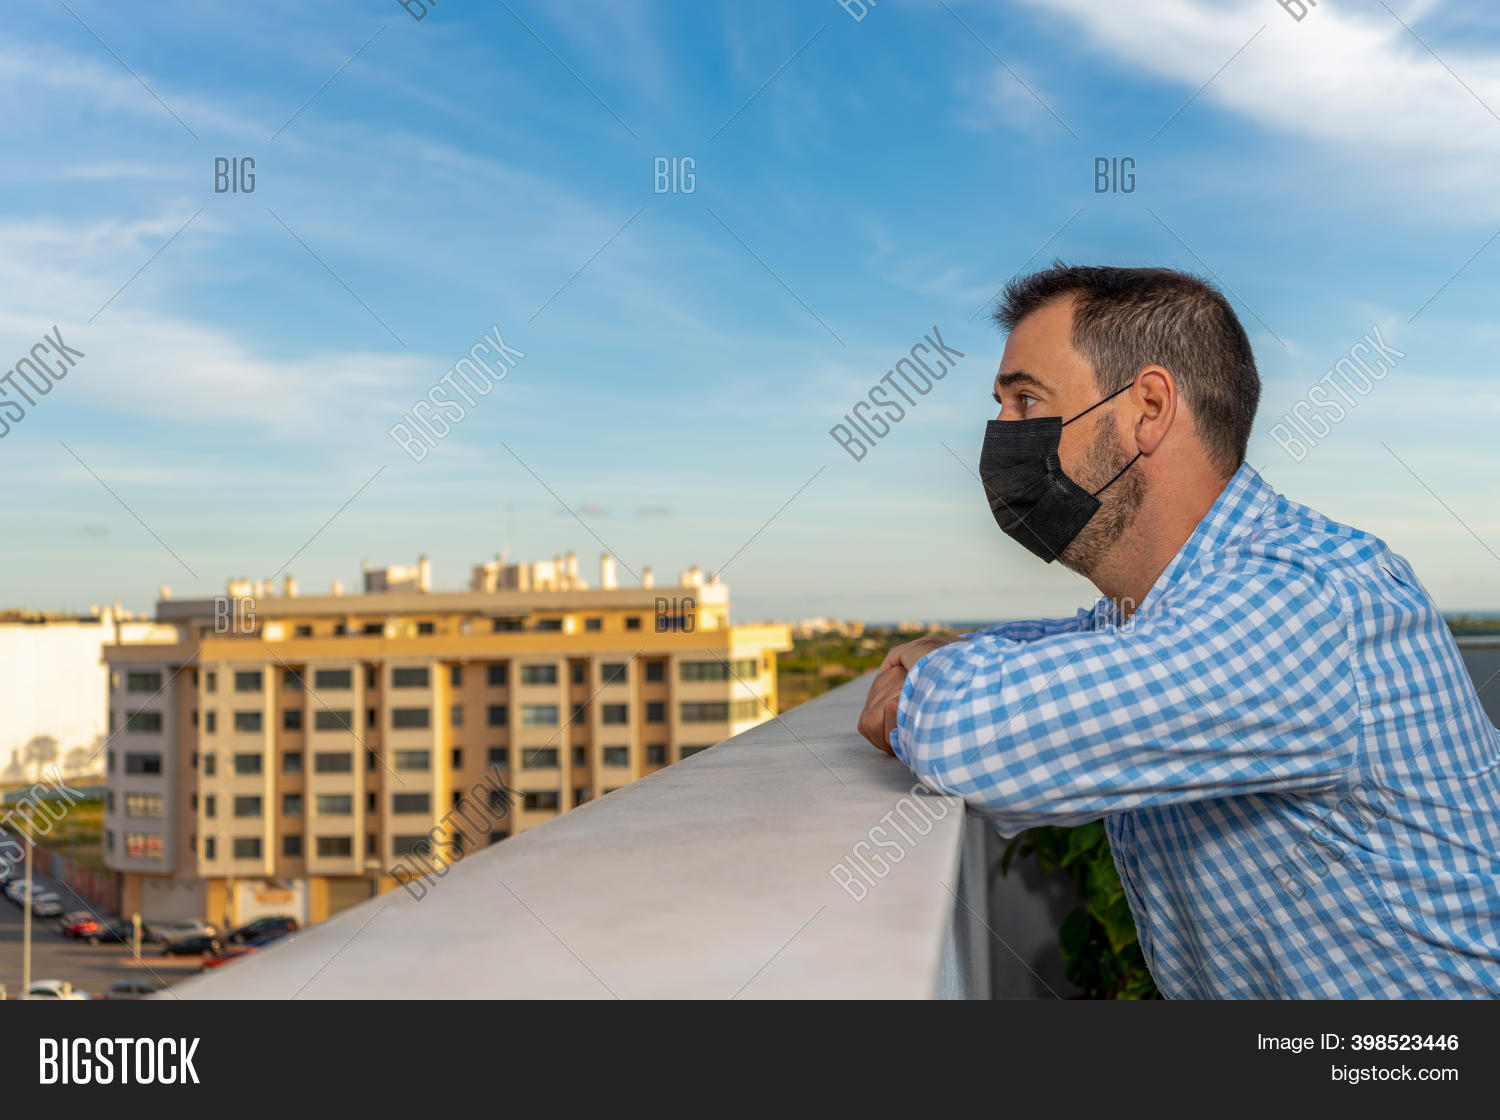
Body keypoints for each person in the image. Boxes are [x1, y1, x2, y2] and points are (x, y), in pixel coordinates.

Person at [857, 263, 1500, 998]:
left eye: (1027, 400)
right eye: (1001, 407)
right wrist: (960, 653)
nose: (1002, 436)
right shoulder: (1166, 611)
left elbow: (970, 734)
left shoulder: (1303, 602)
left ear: (1149, 409)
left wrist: (924, 683)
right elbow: (1064, 647)